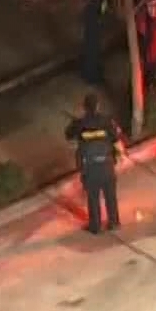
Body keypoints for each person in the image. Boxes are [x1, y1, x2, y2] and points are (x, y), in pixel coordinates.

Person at [65, 93, 125, 233]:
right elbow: (116, 141)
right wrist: (121, 156)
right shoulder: (107, 121)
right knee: (110, 195)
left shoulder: (79, 124)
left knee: (93, 197)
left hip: (90, 166)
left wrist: (77, 127)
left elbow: (68, 135)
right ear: (98, 106)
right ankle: (114, 222)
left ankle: (95, 226)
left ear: (84, 107)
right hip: (107, 163)